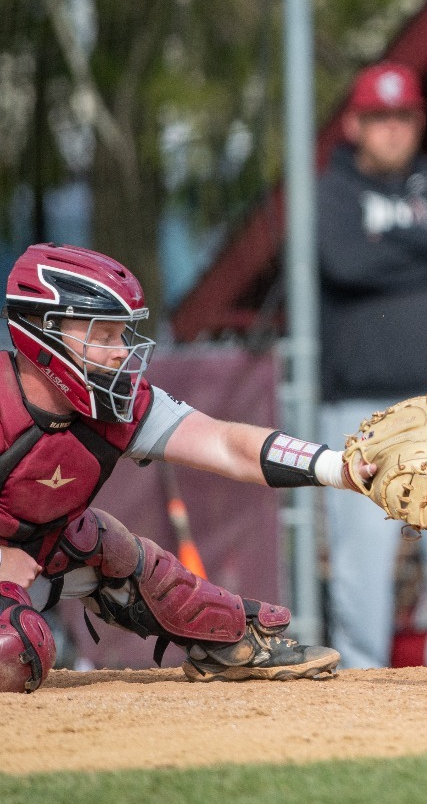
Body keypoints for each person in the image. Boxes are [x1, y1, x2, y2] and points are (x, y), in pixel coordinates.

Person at [0, 243, 360, 691]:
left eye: (121, 335)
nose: (119, 353)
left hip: (33, 553)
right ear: (42, 332)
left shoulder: (120, 406)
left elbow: (226, 445)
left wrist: (340, 467)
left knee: (104, 545)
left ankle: (229, 643)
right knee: (12, 648)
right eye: (102, 335)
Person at [318, 61, 427, 669]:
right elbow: (344, 263)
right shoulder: (331, 190)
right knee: (361, 562)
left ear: (418, 121)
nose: (392, 130)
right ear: (354, 124)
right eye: (379, 119)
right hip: (359, 403)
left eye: (402, 118)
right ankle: (360, 681)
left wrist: (390, 247)